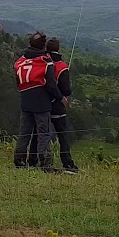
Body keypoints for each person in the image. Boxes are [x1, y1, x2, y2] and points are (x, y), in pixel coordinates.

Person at [13, 32, 64, 171]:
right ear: (43, 46)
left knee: (24, 132)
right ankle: (45, 163)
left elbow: (18, 81)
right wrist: (60, 98)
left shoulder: (20, 61)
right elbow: (51, 85)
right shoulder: (46, 61)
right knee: (44, 134)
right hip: (41, 102)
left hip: (25, 100)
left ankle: (19, 161)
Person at [46, 37, 79, 174]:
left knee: (42, 134)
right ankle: (67, 163)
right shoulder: (62, 67)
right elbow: (66, 90)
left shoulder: (42, 63)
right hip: (58, 106)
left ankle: (42, 159)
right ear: (58, 49)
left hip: (42, 105)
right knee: (62, 136)